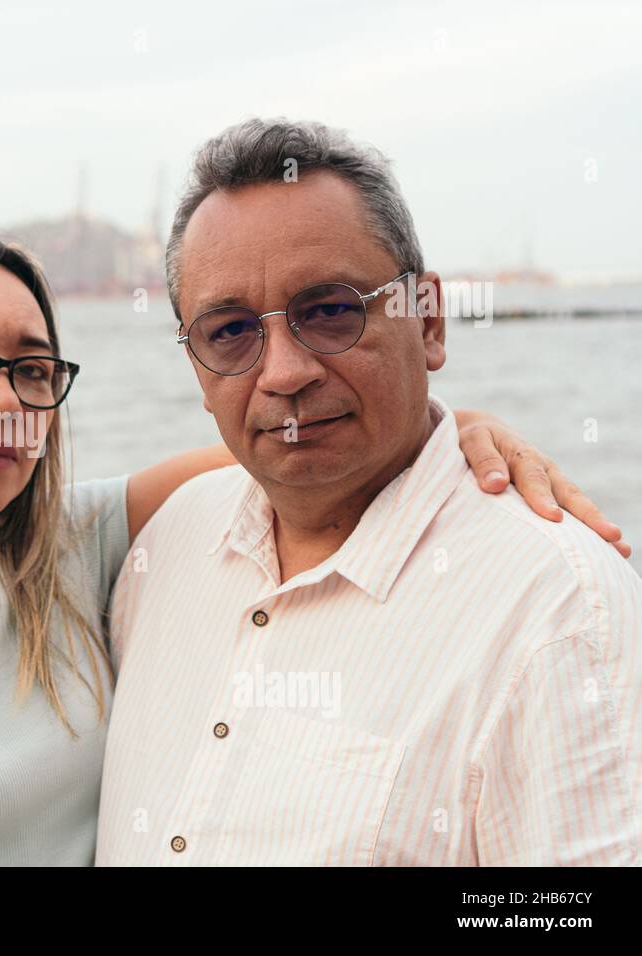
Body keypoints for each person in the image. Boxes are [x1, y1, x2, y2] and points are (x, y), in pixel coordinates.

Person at [0, 233, 624, 866]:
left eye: (32, 371)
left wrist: (460, 429)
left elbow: (301, 442)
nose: (0, 401)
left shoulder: (78, 546)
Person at [96, 118, 642, 866]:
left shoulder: (559, 610)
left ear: (430, 319)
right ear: (197, 368)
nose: (284, 372)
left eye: (329, 312)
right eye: (230, 332)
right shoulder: (166, 547)